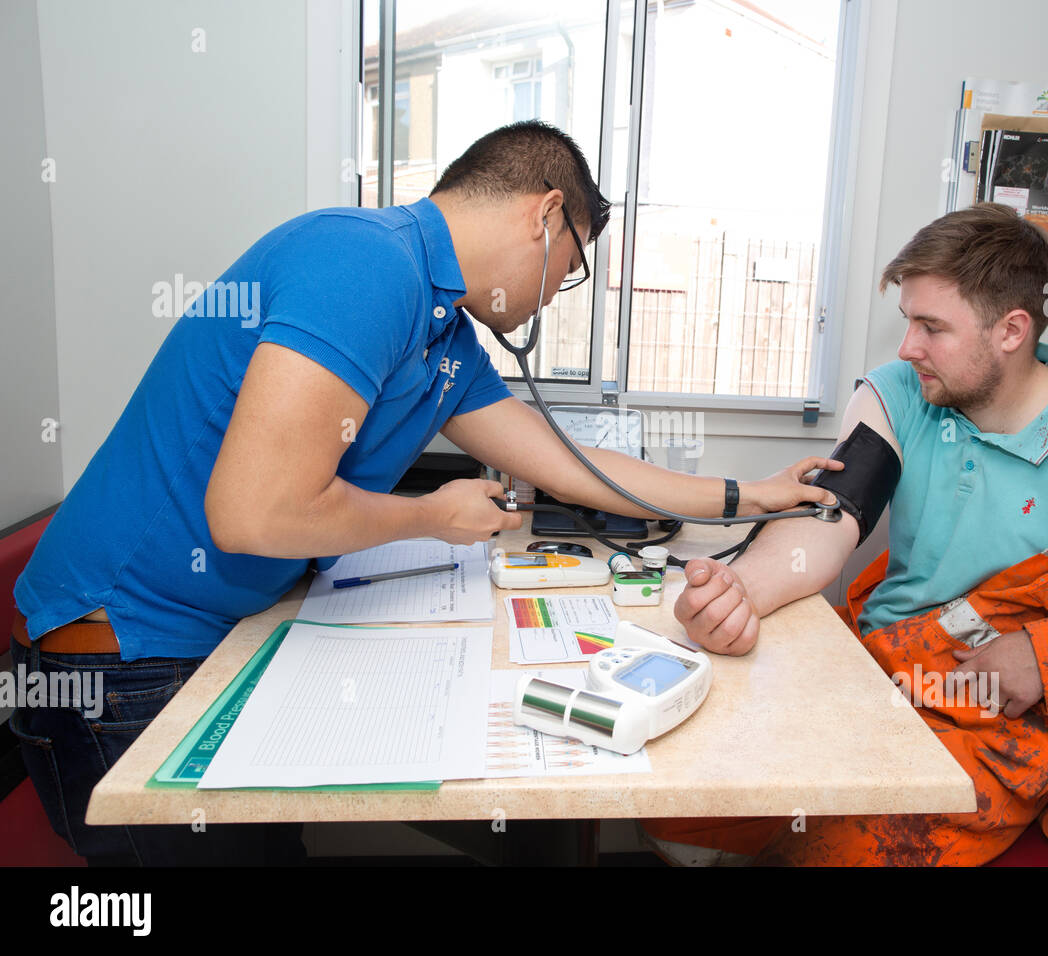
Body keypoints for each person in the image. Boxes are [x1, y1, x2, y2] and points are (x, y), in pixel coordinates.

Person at [11, 120, 840, 865]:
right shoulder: (365, 263)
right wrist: (433, 518)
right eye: (573, 268)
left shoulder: (446, 337)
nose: (557, 296)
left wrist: (750, 496)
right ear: (545, 216)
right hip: (123, 664)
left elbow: (573, 463)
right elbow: (252, 512)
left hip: (212, 641)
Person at [642, 203, 1048, 865]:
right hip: (882, 668)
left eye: (931, 327)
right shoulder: (903, 392)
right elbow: (829, 521)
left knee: (833, 848)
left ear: (1011, 330)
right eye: (907, 322)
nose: (905, 348)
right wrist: (738, 591)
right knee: (687, 790)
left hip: (991, 716)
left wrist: (1047, 657)